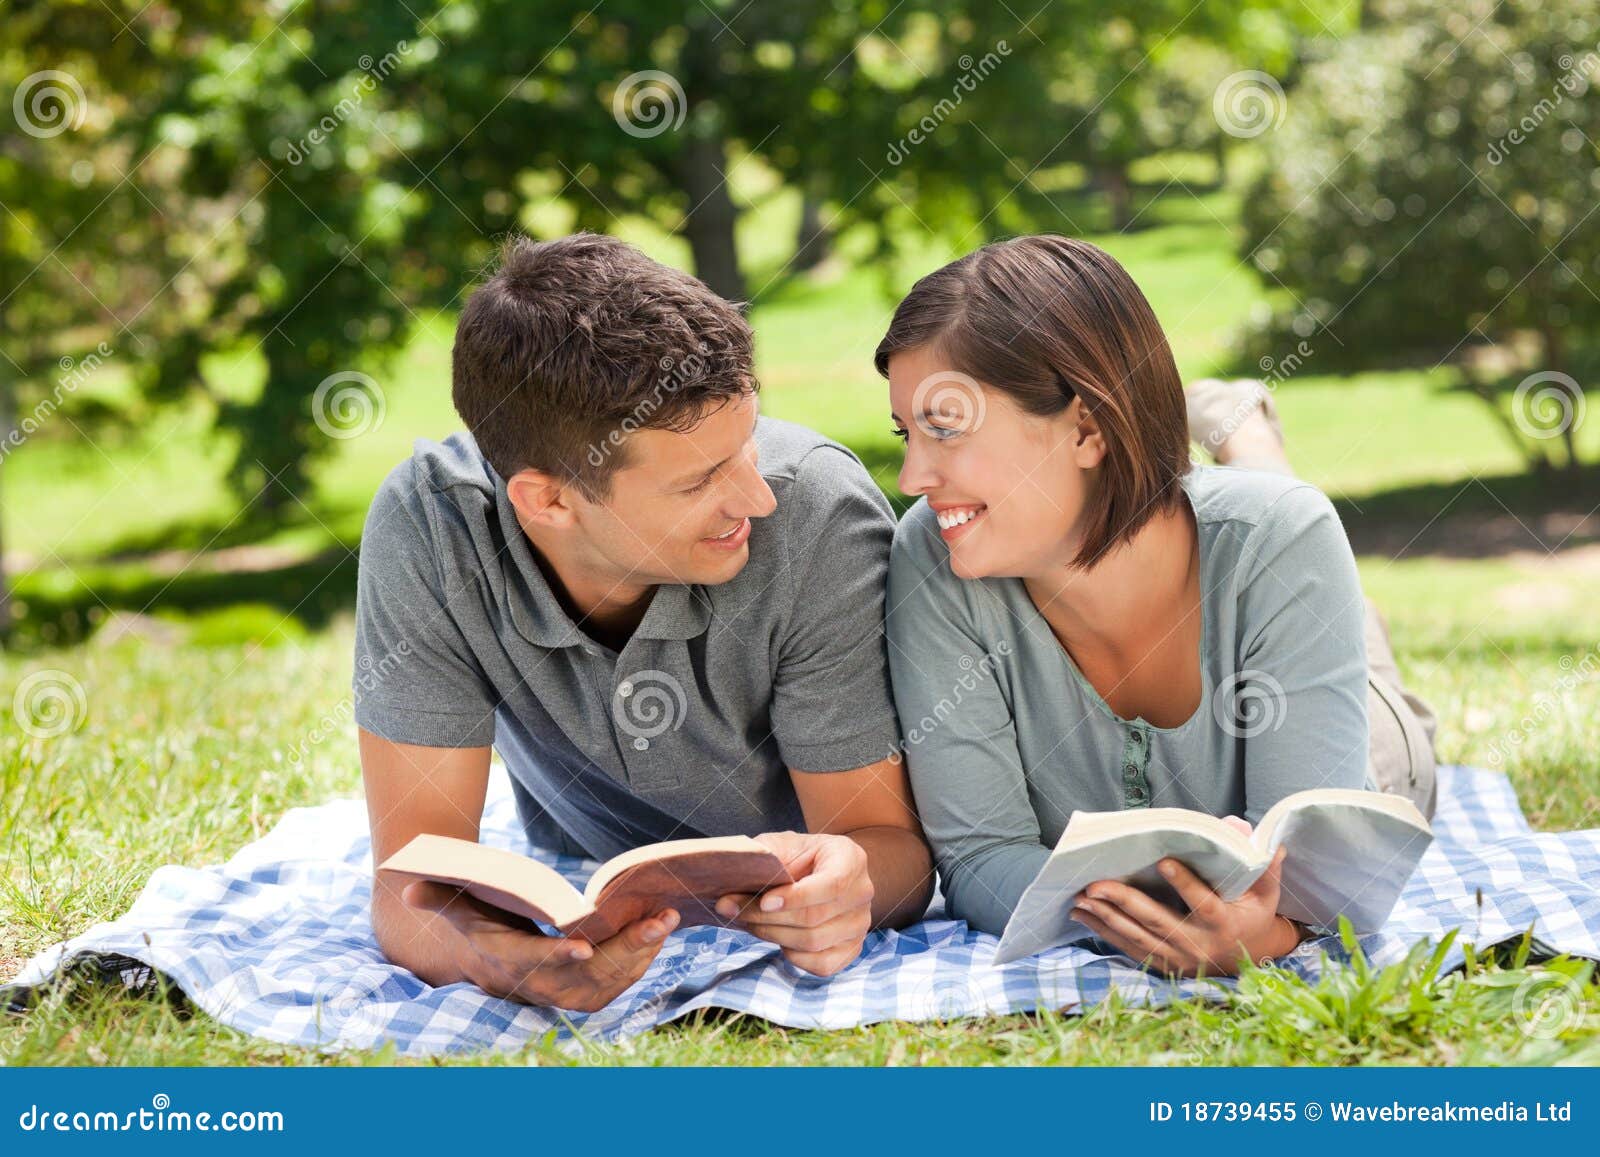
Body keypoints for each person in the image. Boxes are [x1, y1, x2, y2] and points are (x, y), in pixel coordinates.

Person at [354, 233, 933, 1013]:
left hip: (775, 899)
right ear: (547, 501)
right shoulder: (431, 528)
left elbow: (890, 848)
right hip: (578, 860)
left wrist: (850, 888)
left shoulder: (814, 515)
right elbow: (411, 888)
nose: (756, 499)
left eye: (749, 444)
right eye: (700, 480)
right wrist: (512, 965)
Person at [880, 234, 1439, 977]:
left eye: (943, 428)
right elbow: (980, 855)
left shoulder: (1280, 539)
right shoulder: (934, 555)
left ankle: (1247, 438)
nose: (913, 474)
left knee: (1310, 561)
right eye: (905, 434)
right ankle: (1246, 448)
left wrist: (1269, 938)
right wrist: (1144, 927)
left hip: (1372, 748)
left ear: (1087, 426)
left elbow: (1319, 881)